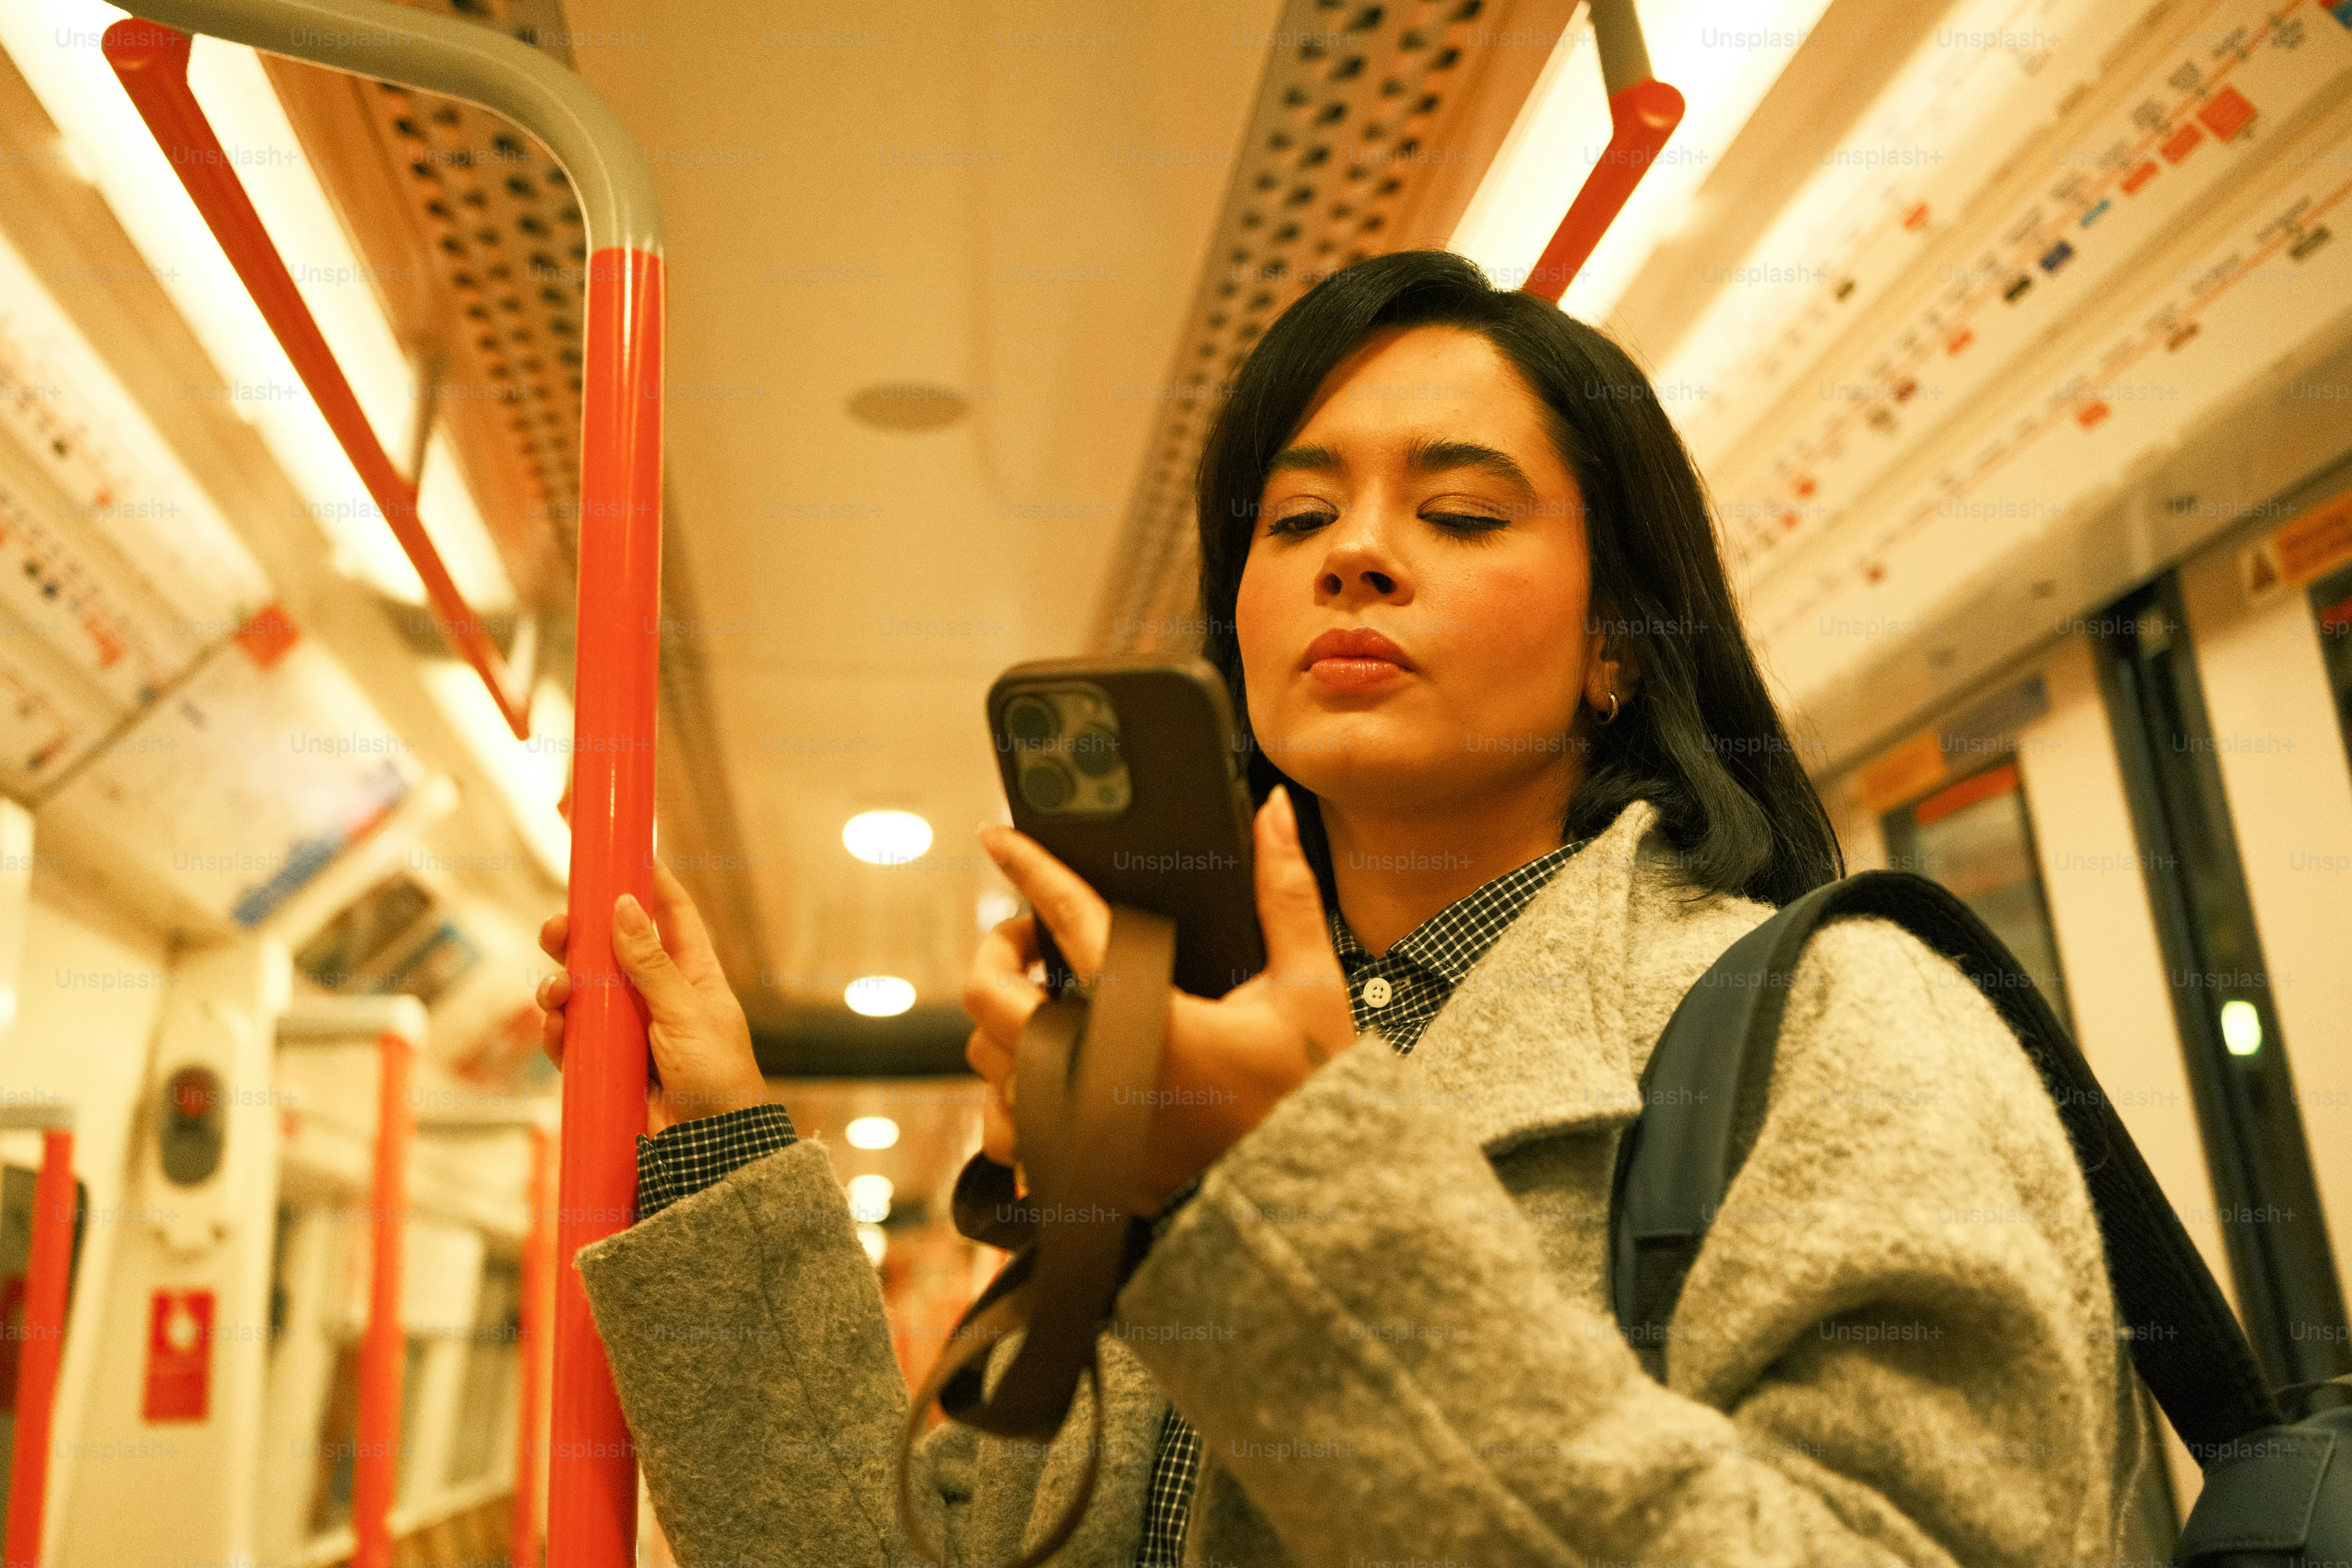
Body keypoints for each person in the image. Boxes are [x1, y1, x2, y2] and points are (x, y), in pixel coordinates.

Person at [537, 250, 2155, 1567]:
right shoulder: (1170, 1066)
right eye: (1298, 519)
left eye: (1461, 514)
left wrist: (1286, 1200)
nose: (1358, 555)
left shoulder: (1845, 1027)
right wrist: (722, 1134)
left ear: (1620, 640)